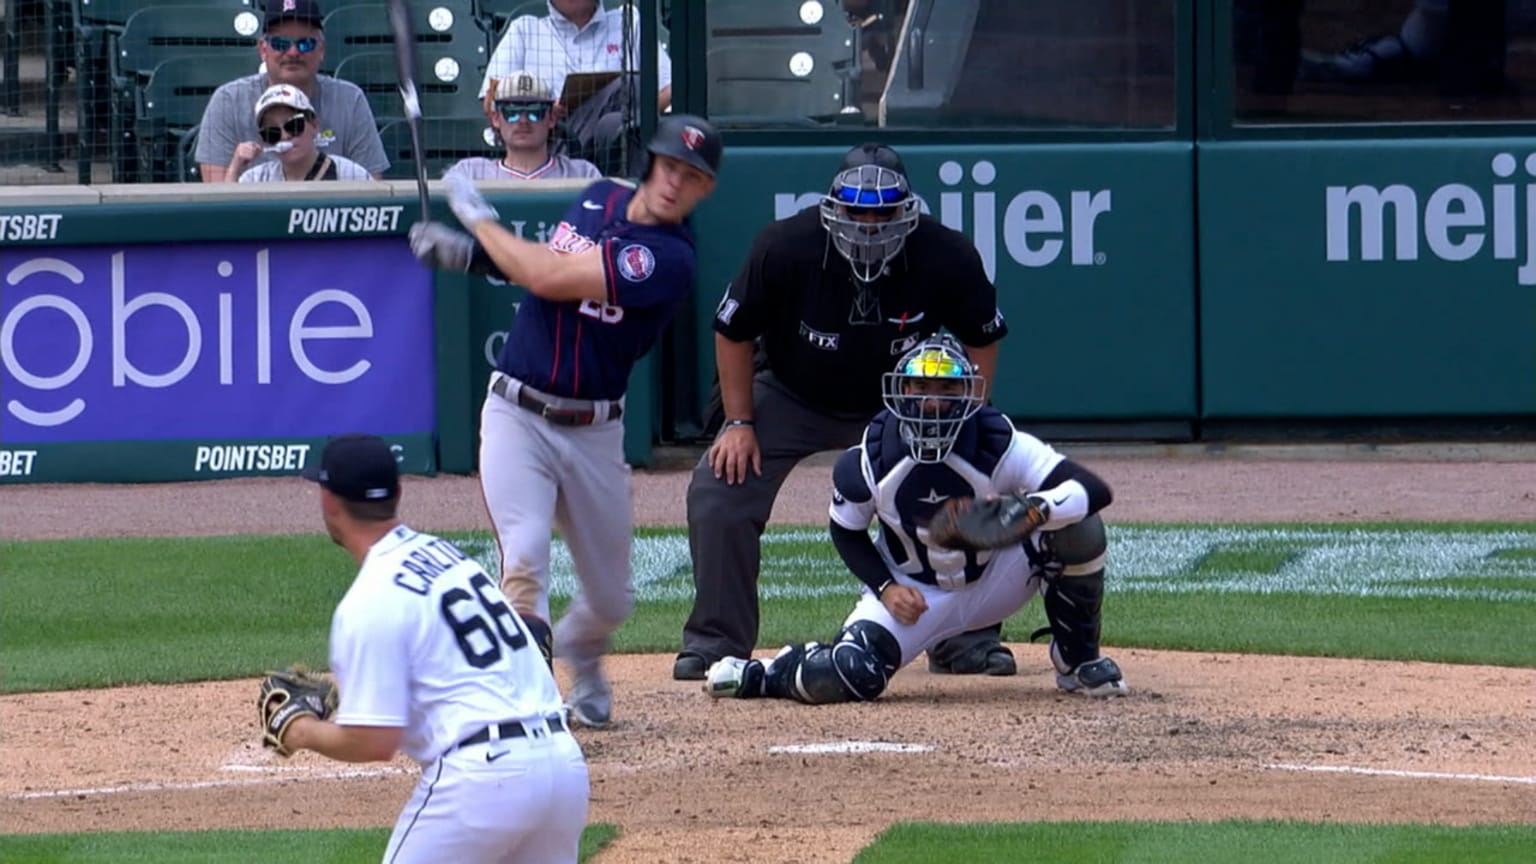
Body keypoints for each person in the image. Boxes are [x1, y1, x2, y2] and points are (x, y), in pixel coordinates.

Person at [406, 115, 723, 729]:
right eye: (669, 167)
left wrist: (474, 222)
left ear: (704, 190)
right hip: (516, 413)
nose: (674, 183)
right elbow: (547, 271)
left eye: (692, 177)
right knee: (523, 562)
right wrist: (470, 258)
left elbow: (546, 275)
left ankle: (583, 650)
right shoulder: (596, 197)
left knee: (610, 597)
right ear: (650, 161)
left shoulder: (668, 259)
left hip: (595, 431)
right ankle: (531, 699)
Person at [674, 142, 1011, 683]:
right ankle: (716, 640)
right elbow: (732, 331)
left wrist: (967, 416)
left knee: (968, 476)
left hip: (903, 401)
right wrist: (738, 424)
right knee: (720, 486)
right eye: (857, 211)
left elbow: (982, 337)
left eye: (881, 213)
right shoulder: (786, 244)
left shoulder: (946, 253)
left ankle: (962, 640)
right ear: (833, 207)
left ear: (908, 211)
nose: (869, 226)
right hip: (790, 389)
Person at [703, 337, 1127, 705]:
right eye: (921, 386)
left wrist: (1034, 510)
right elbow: (846, 530)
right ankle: (760, 674)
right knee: (848, 673)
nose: (933, 400)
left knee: (1078, 527)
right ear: (902, 389)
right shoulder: (871, 456)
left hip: (999, 577)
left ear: (968, 392)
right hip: (914, 596)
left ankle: (1077, 661)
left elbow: (1093, 490)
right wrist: (886, 589)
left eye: (947, 387)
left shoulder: (998, 441)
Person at [279, 433, 589, 863]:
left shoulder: (368, 599)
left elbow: (373, 741)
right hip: (562, 768)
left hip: (483, 782)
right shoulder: (450, 558)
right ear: (398, 493)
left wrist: (299, 731)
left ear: (329, 501)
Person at [195, 0, 388, 182]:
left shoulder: (350, 99)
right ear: (263, 50)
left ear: (321, 50)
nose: (293, 52)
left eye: (305, 43)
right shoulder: (228, 101)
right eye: (280, 44)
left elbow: (371, 194)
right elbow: (217, 196)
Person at [480, 0, 673, 173]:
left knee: (615, 122)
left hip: (615, 146)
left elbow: (670, 88)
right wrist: (546, 110)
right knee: (631, 85)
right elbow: (490, 102)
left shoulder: (628, 22)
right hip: (550, 138)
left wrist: (637, 114)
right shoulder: (525, 29)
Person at [445, 70, 603, 182]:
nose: (523, 120)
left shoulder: (582, 174)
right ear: (496, 118)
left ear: (551, 118)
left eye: (535, 111)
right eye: (511, 112)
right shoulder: (470, 173)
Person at [230, 85, 372, 182]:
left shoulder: (352, 174)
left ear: (314, 125)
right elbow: (227, 220)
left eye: (293, 125)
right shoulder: (255, 179)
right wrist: (235, 166)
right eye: (272, 133)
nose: (284, 136)